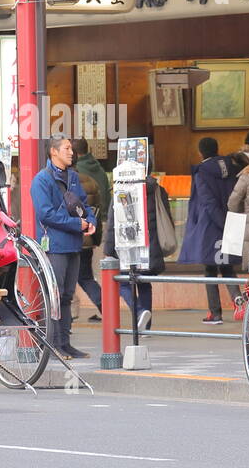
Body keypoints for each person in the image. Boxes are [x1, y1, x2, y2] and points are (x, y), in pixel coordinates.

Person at [31, 134, 97, 358]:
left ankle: (66, 343)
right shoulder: (41, 179)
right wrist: (75, 223)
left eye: (71, 148)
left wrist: (91, 222)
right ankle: (52, 344)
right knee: (55, 295)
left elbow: (84, 205)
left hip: (74, 244)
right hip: (55, 246)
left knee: (67, 295)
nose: (71, 152)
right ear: (54, 152)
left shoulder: (73, 177)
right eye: (66, 148)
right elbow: (45, 214)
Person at [178, 136, 239, 324]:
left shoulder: (202, 172)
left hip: (211, 225)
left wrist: (220, 222)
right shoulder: (234, 167)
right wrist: (228, 224)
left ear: (201, 152)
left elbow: (207, 201)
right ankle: (240, 304)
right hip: (232, 220)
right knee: (228, 266)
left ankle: (215, 313)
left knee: (210, 268)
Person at [102, 172, 168, 330]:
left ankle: (140, 312)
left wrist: (108, 249)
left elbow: (113, 223)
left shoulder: (121, 189)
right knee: (145, 283)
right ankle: (146, 327)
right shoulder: (158, 190)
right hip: (150, 245)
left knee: (124, 283)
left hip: (127, 244)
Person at [72, 140, 104, 322]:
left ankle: (65, 316)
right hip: (88, 238)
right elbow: (97, 209)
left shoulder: (66, 183)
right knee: (85, 277)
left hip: (70, 238)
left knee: (72, 280)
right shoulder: (91, 180)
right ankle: (105, 306)